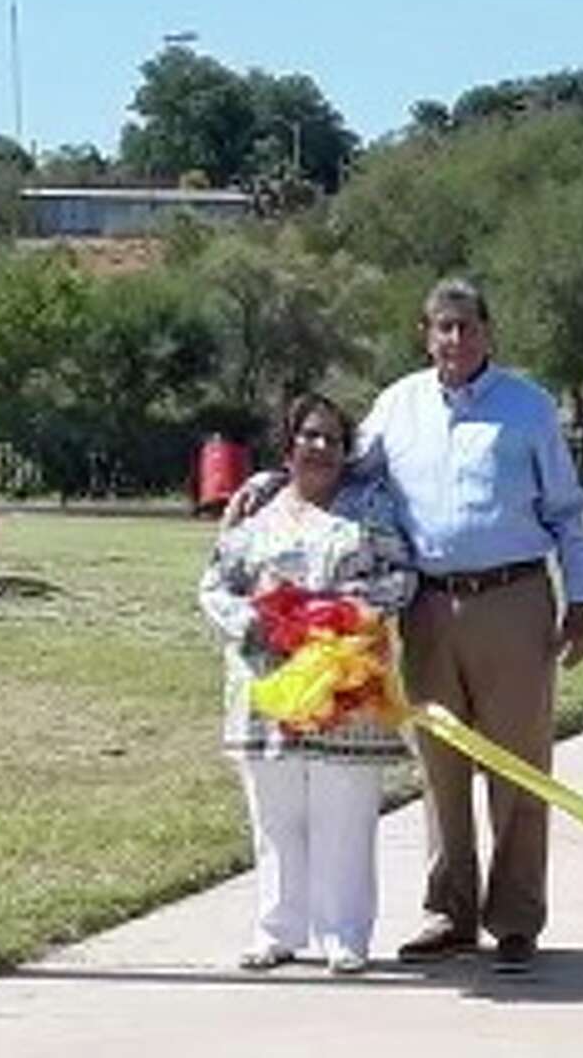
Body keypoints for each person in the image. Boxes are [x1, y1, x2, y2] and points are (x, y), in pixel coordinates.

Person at [358, 277, 583, 977]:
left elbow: (568, 512)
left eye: (466, 327)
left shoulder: (527, 408)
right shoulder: (396, 408)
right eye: (442, 328)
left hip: (514, 600)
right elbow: (348, 477)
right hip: (426, 608)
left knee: (518, 763)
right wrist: (272, 490)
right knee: (440, 765)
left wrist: (578, 603)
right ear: (424, 334)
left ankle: (516, 917)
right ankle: (450, 913)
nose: (454, 341)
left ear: (487, 333)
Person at [197, 391, 417, 976]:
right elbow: (216, 584)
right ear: (288, 443)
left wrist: (341, 614)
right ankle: (278, 929)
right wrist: (257, 623)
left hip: (345, 685)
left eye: (333, 439)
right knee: (276, 812)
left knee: (344, 810)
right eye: (309, 435)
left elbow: (401, 577)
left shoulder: (368, 510)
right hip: (267, 685)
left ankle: (343, 934)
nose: (320, 447)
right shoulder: (256, 511)